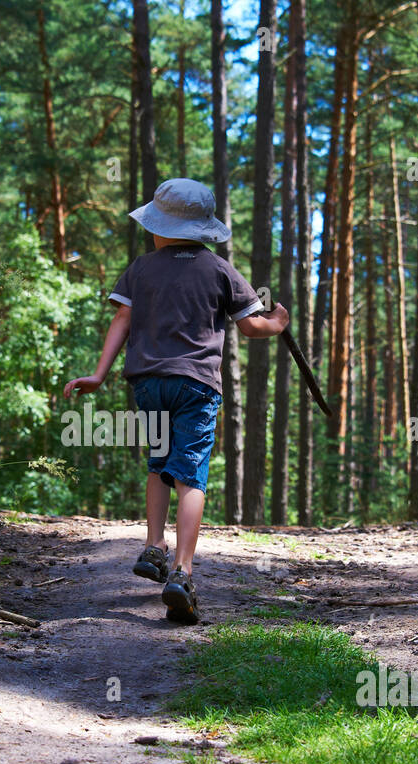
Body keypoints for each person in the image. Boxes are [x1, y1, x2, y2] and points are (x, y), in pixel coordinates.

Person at [62, 178, 290, 623]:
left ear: (159, 227)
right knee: (191, 476)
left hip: (149, 384)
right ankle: (182, 572)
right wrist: (278, 323)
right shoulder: (219, 269)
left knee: (158, 463)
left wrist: (98, 374)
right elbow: (251, 327)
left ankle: (153, 545)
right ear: (204, 231)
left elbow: (122, 319)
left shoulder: (142, 267)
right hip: (197, 385)